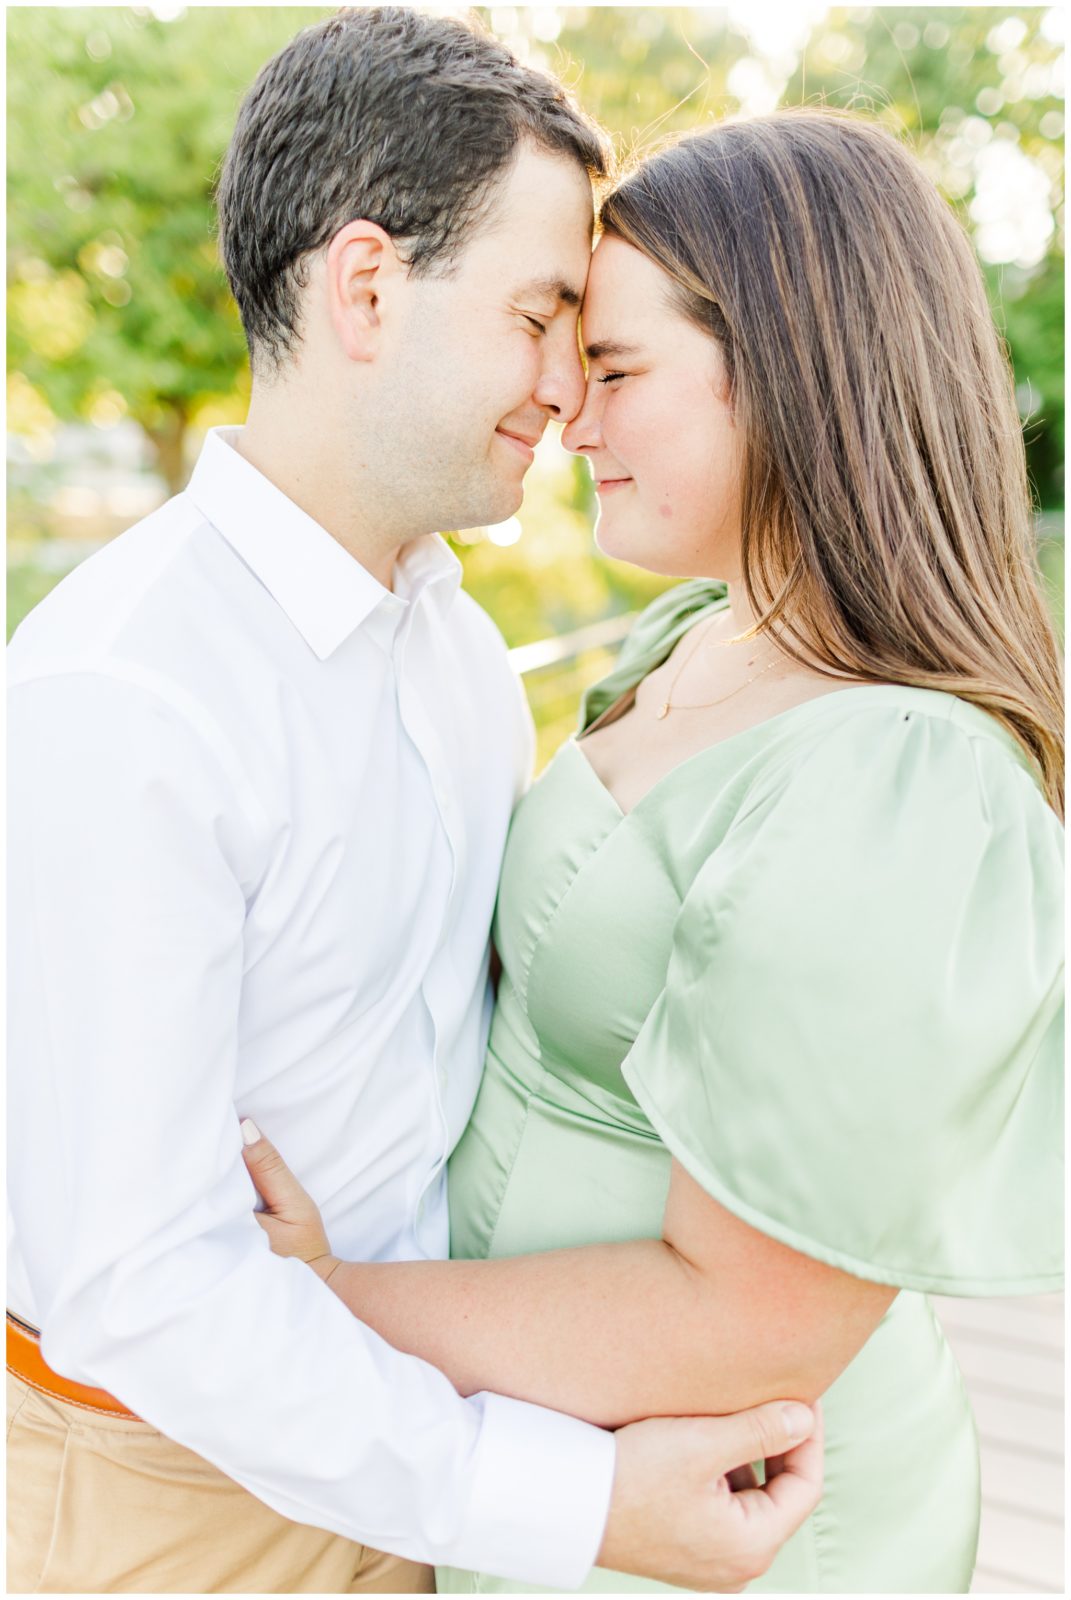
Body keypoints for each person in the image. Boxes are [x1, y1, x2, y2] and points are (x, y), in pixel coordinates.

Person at [6, 9, 824, 1596]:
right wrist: (564, 1502)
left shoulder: (449, 648)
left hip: (413, 1448)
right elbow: (141, 1285)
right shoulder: (121, 693)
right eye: (537, 318)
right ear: (367, 286)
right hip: (166, 1496)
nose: (563, 394)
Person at [240, 107, 1065, 1594]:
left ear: (803, 375)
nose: (573, 418)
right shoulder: (697, 638)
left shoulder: (904, 771)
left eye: (617, 371)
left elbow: (751, 1321)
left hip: (742, 1527)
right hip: (563, 1472)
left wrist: (332, 1302)